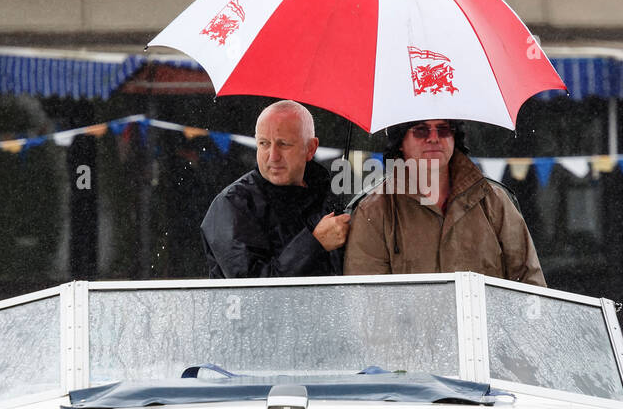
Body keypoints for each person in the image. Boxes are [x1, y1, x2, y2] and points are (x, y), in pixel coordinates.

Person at [343, 118, 545, 286]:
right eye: (421, 131)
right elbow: (367, 307)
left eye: (444, 129)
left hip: (488, 334)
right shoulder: (373, 210)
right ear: (400, 142)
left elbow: (531, 289)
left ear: (455, 137)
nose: (433, 138)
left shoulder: (494, 200)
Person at [201, 100, 348, 278]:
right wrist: (314, 244)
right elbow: (254, 292)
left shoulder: (326, 199)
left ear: (310, 148)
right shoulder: (233, 204)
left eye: (283, 144)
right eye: (264, 144)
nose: (273, 156)